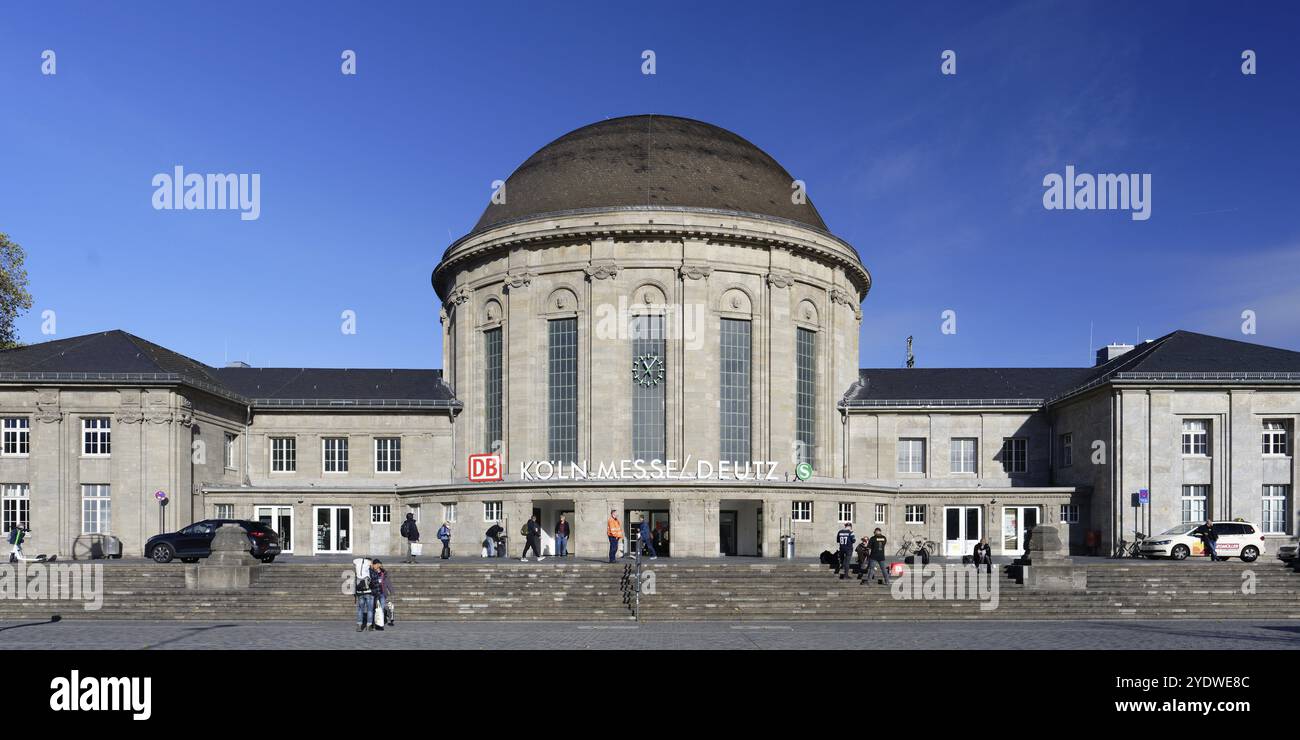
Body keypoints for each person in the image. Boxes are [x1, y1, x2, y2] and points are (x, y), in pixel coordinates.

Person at [353, 557, 376, 632]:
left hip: (360, 593)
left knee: (360, 610)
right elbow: (374, 580)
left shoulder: (358, 571)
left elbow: (355, 582)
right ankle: (369, 625)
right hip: (368, 592)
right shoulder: (369, 570)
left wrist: (355, 592)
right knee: (369, 610)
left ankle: (359, 625)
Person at [372, 559, 392, 630]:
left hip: (382, 593)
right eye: (376, 564)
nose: (378, 565)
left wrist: (391, 590)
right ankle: (374, 624)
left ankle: (380, 624)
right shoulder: (372, 572)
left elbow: (387, 581)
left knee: (382, 608)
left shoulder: (383, 572)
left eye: (379, 564)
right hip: (375, 593)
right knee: (375, 609)